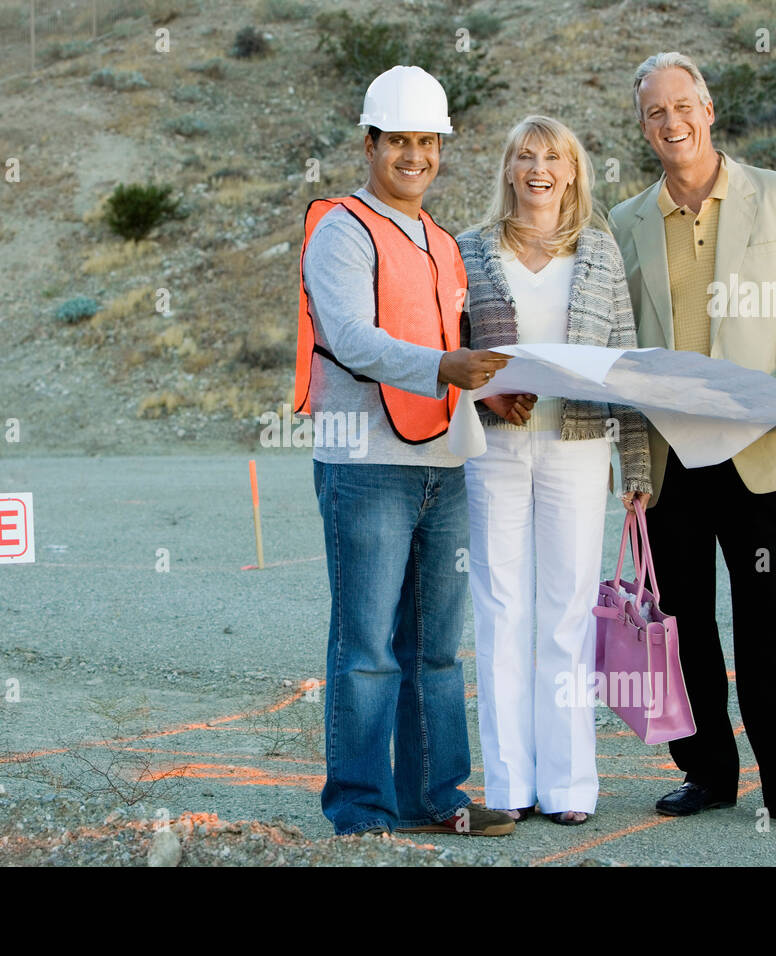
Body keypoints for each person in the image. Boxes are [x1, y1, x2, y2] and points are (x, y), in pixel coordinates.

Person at [608, 52, 776, 829]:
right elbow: (625, 347)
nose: (671, 122)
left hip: (759, 450)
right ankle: (708, 772)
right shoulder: (626, 221)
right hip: (673, 461)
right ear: (643, 128)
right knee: (685, 622)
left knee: (768, 615)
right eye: (654, 113)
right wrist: (633, 461)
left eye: (683, 106)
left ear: (708, 110)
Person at [295, 65, 516, 837]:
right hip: (366, 467)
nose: (414, 155)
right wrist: (442, 369)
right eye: (399, 141)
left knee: (436, 651)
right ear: (370, 143)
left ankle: (435, 798)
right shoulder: (340, 232)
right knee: (367, 649)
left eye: (427, 141)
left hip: (444, 463)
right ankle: (359, 812)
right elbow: (353, 339)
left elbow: (447, 343)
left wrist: (485, 389)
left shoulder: (442, 243)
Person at [456, 115, 652, 826]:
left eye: (554, 158)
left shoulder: (599, 254)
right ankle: (508, 787)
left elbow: (624, 365)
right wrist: (484, 396)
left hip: (578, 449)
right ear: (509, 170)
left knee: (568, 614)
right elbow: (448, 350)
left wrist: (635, 465)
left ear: (572, 173)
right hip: (495, 449)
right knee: (501, 610)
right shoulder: (469, 250)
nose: (539, 168)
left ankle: (569, 788)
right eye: (525, 156)